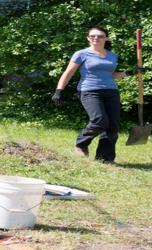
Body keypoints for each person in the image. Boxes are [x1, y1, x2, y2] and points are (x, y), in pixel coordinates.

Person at [52, 26, 142, 163]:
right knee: (100, 120)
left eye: (100, 36)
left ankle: (105, 158)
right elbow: (68, 73)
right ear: (88, 38)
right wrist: (59, 91)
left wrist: (130, 73)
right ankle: (81, 144)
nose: (96, 38)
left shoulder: (112, 55)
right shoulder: (81, 54)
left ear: (106, 38)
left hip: (111, 91)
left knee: (113, 126)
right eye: (93, 36)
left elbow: (112, 75)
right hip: (89, 90)